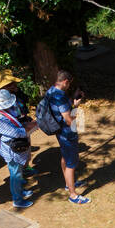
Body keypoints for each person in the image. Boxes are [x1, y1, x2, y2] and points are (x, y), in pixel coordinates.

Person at [46, 71, 90, 204]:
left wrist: (72, 103)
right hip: (67, 133)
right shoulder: (61, 97)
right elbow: (69, 120)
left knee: (65, 157)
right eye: (69, 83)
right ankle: (73, 195)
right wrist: (76, 109)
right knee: (71, 163)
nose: (69, 86)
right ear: (65, 81)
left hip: (59, 131)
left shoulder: (50, 91)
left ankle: (68, 184)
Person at [0, 88, 34, 209]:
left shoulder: (2, 112)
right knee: (15, 174)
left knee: (17, 172)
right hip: (11, 150)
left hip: (12, 147)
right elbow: (15, 132)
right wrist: (28, 128)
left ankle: (19, 191)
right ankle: (17, 199)